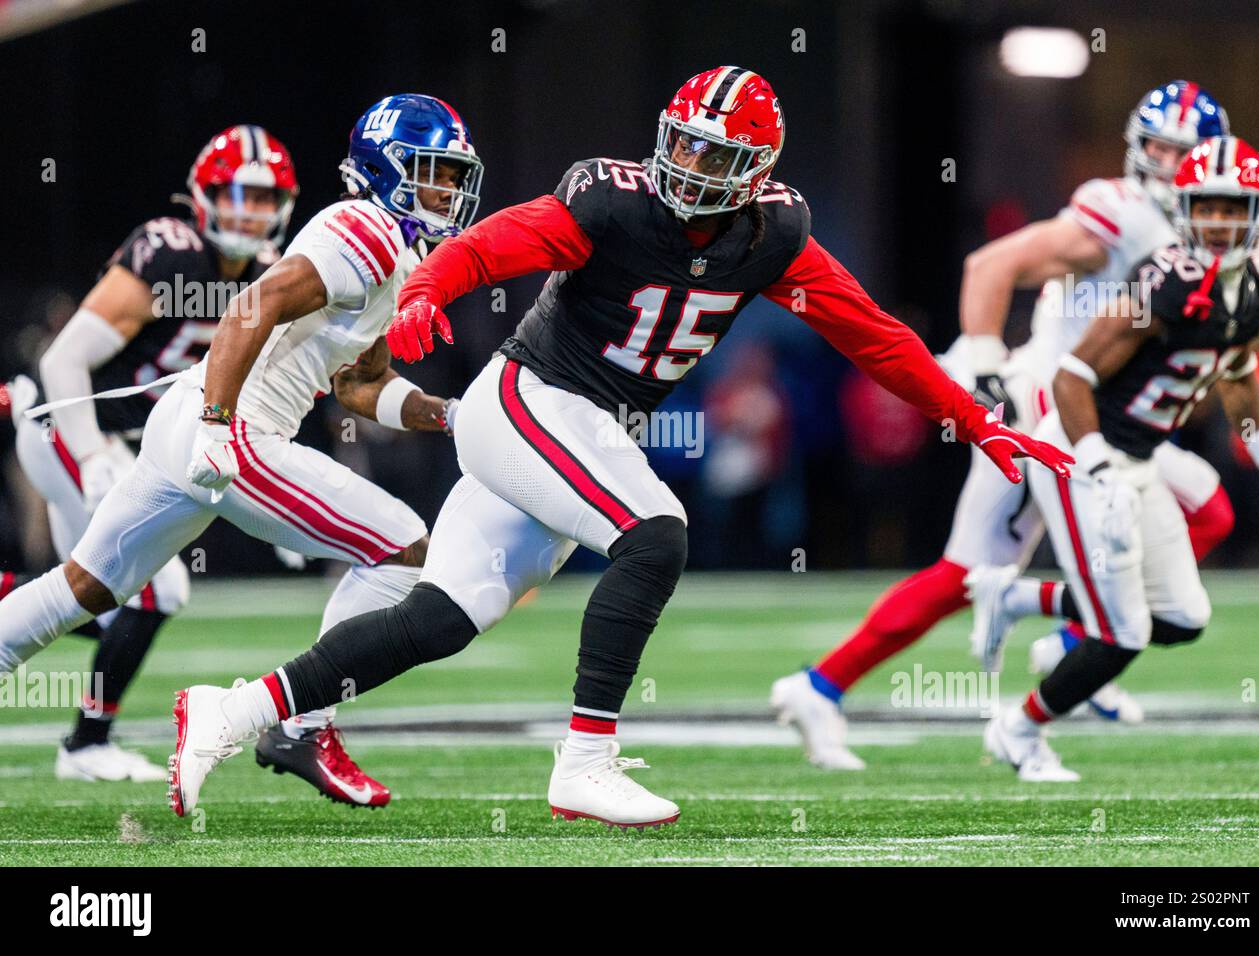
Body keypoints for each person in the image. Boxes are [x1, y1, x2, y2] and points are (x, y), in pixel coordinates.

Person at [169, 66, 1072, 827]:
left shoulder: (777, 238)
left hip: (579, 425)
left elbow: (876, 337)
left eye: (715, 156)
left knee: (442, 618)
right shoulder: (612, 199)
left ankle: (233, 709)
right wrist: (427, 291)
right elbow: (495, 242)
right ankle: (585, 759)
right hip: (533, 399)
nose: (688, 166)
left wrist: (982, 421)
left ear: (756, 171)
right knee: (656, 532)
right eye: (682, 143)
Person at [0, 94, 479, 806]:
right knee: (406, 548)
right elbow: (249, 308)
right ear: (390, 169)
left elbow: (359, 383)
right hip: (229, 428)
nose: (449, 190)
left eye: (453, 173)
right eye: (435, 172)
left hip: (185, 422)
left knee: (84, 590)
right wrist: (221, 423)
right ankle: (302, 724)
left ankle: (294, 724)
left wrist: (456, 417)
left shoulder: (400, 251)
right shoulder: (369, 228)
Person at [771, 81, 1233, 769]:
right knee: (970, 574)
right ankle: (827, 685)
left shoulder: (1198, 234)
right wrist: (983, 363)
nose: (1168, 165)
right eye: (1159, 149)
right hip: (1048, 414)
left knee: (1207, 510)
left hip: (1103, 424)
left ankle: (1076, 642)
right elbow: (993, 263)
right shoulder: (1125, 215)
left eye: (1182, 152)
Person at [974, 137, 1259, 780]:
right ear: (1184, 210)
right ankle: (1018, 730)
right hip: (1077, 451)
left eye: (1233, 209)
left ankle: (1017, 596)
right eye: (1206, 208)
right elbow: (1070, 378)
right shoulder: (1164, 281)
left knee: (1181, 618)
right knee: (1120, 632)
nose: (1218, 223)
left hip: (1142, 458)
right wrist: (1097, 469)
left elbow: (1233, 364)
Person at [2, 125, 296, 781]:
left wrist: (281, 494)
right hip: (70, 427)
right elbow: (64, 358)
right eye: (237, 194)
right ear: (204, 196)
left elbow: (257, 397)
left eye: (263, 197)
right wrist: (93, 452)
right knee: (153, 590)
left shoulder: (273, 281)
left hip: (137, 446)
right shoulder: (169, 254)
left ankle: (84, 741)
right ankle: (85, 744)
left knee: (105, 600)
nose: (249, 211)